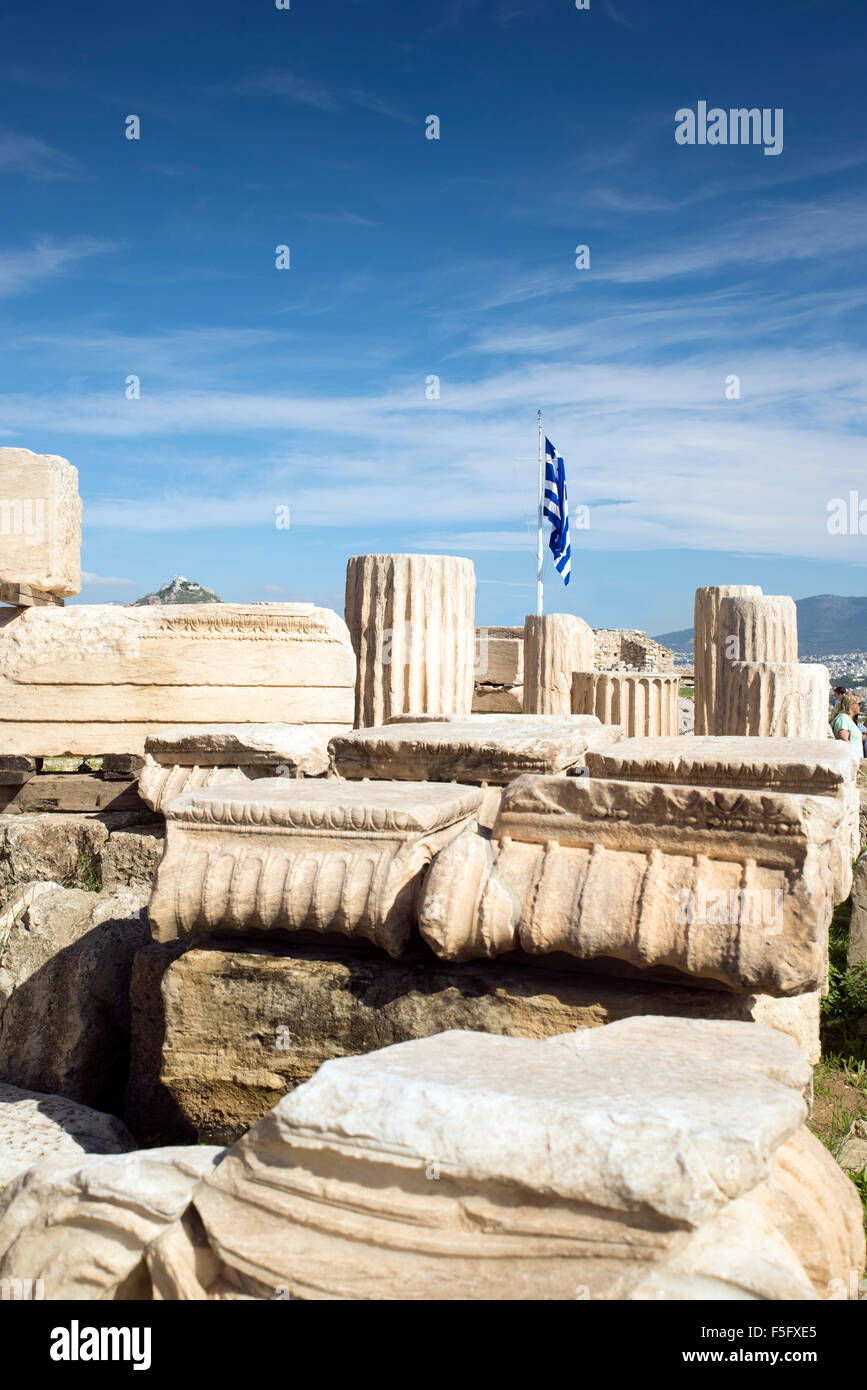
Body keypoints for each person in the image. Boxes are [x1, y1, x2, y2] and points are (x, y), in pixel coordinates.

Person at [831, 691, 864, 756]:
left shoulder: (849, 720)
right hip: (850, 760)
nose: (860, 706)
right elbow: (844, 741)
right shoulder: (843, 718)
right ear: (851, 704)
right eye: (859, 704)